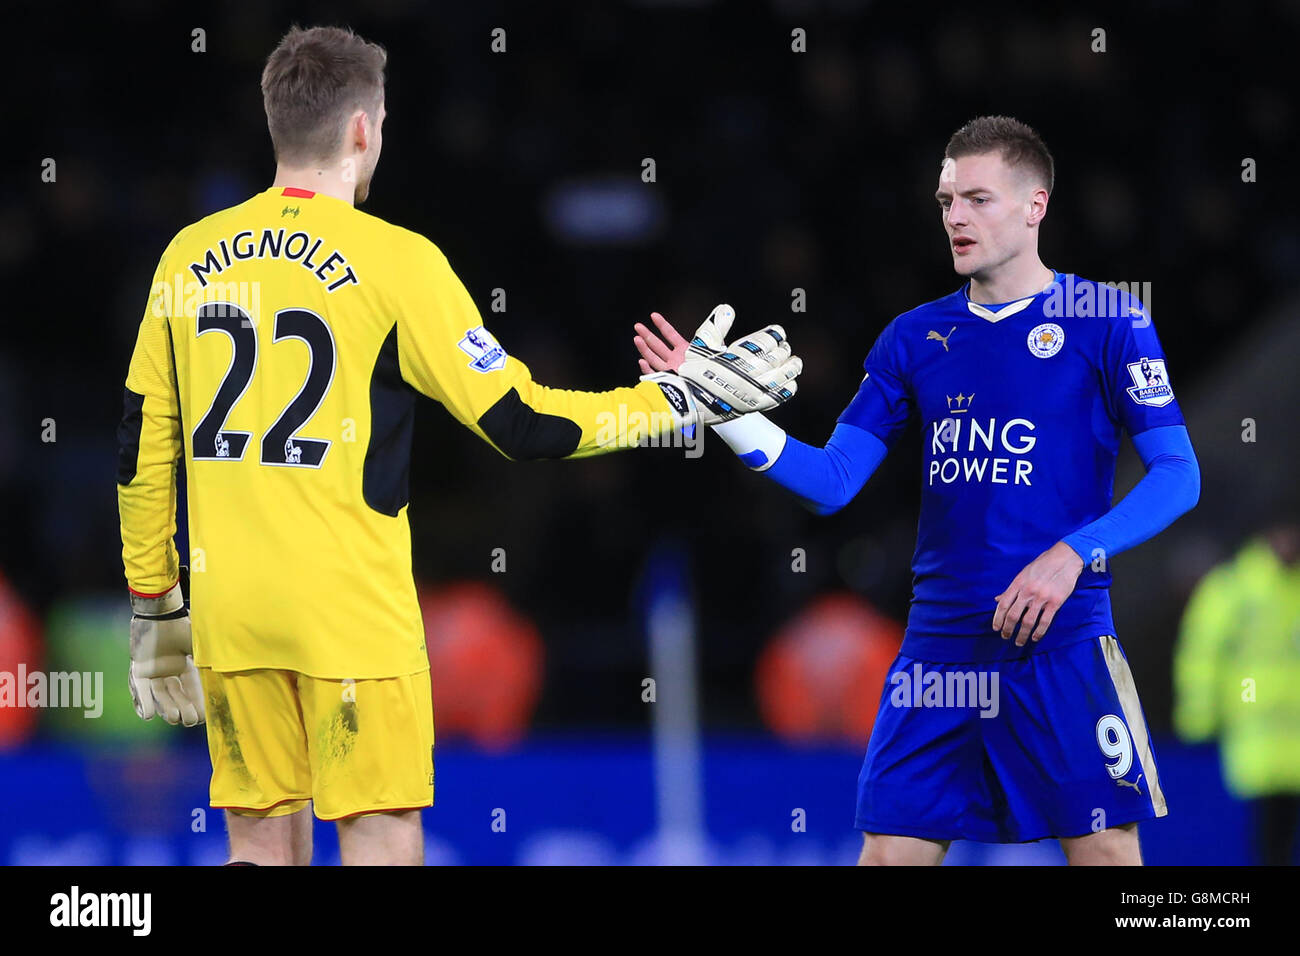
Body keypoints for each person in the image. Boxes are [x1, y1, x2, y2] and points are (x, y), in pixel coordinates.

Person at [116, 25, 800, 866]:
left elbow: (143, 444)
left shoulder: (186, 258)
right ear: (364, 128)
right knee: (379, 829)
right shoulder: (399, 263)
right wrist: (674, 402)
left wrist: (156, 603)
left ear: (276, 122)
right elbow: (523, 422)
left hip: (233, 610)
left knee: (258, 840)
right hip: (349, 613)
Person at [634, 116, 1200, 865]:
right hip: (940, 653)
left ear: (1036, 206)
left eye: (977, 198)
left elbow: (1178, 473)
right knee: (886, 858)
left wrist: (1074, 552)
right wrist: (729, 417)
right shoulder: (913, 338)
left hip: (1059, 646)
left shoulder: (1106, 319)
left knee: (1105, 857)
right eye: (945, 201)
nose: (956, 217)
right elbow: (833, 482)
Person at [1174, 522, 1300, 865]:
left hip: (1287, 740)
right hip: (1252, 737)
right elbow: (1202, 656)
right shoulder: (1234, 588)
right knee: (1264, 837)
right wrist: (1198, 718)